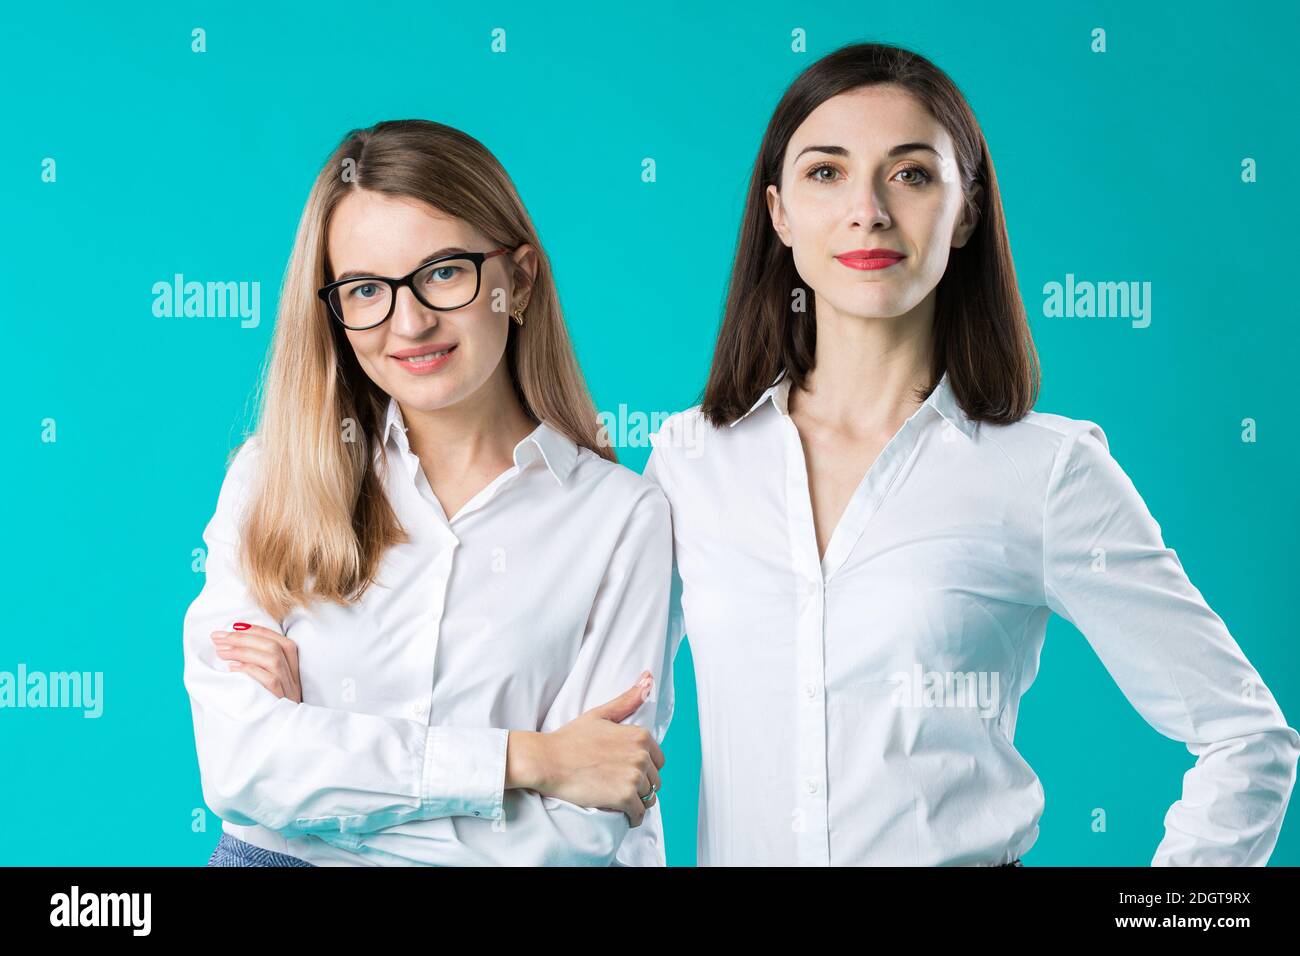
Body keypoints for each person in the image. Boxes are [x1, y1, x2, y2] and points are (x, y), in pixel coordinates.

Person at [636, 42, 1300, 866]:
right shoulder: (693, 459)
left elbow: (1247, 737)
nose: (868, 211)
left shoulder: (1048, 471)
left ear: (969, 209)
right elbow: (615, 743)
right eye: (825, 173)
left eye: (911, 174)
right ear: (777, 213)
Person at [183, 119, 671, 866]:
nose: (409, 323)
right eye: (366, 289)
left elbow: (577, 831)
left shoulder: (621, 519)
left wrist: (318, 781)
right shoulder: (273, 474)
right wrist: (525, 760)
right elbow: (242, 766)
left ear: (521, 279)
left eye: (444, 271)